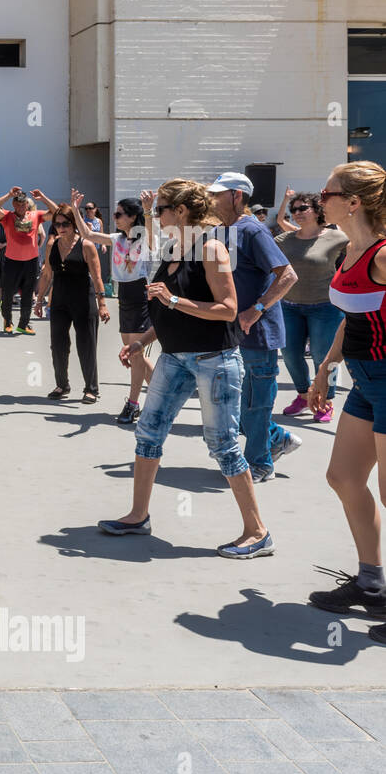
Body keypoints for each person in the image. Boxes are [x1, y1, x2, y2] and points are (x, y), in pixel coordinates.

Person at [99, 179, 273, 559]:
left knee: (223, 444)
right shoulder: (174, 248)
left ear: (181, 211)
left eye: (160, 208)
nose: (155, 215)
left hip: (214, 359)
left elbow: (228, 308)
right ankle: (138, 515)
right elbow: (165, 311)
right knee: (148, 433)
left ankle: (257, 532)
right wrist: (141, 342)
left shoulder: (211, 249)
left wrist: (174, 298)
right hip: (174, 356)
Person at [306, 161, 386, 638]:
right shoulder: (347, 252)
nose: (321, 199)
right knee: (343, 477)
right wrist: (325, 365)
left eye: (326, 191)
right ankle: (372, 583)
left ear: (352, 202)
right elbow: (350, 320)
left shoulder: (381, 255)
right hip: (365, 381)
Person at [208, 171, 302, 484]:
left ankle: (260, 463)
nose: (212, 198)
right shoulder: (220, 231)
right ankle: (276, 439)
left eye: (218, 193)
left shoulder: (253, 230)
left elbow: (287, 275)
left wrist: (255, 310)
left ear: (237, 196)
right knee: (240, 409)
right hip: (232, 333)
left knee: (255, 405)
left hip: (258, 333)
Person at [73, 191, 157, 424]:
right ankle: (164, 394)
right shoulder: (117, 239)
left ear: (132, 217)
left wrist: (148, 209)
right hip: (124, 298)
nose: (116, 217)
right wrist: (75, 210)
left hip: (141, 295)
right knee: (134, 354)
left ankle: (133, 404)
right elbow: (87, 234)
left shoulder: (144, 240)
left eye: (120, 214)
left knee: (136, 354)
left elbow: (149, 230)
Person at [274, 192, 348, 425]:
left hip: (326, 308)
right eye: (293, 210)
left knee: (325, 357)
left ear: (317, 210)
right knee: (290, 354)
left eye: (302, 208)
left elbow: (358, 258)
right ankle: (304, 394)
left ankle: (325, 400)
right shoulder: (284, 240)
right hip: (289, 307)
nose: (296, 213)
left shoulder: (338, 238)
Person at [34, 203, 110, 403]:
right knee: (58, 345)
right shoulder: (52, 245)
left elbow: (97, 276)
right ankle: (62, 384)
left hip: (83, 300)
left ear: (74, 223)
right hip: (59, 301)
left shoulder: (86, 245)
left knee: (86, 345)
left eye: (65, 223)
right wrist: (39, 300)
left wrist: (102, 303)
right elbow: (46, 274)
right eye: (57, 224)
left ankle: (91, 388)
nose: (60, 227)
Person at [0, 187, 54, 336]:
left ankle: (23, 324)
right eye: (17, 204)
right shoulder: (7, 217)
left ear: (27, 204)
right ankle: (7, 321)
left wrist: (43, 197)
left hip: (31, 262)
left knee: (27, 294)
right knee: (7, 294)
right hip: (12, 261)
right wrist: (9, 194)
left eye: (23, 204)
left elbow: (56, 212)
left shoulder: (35, 215)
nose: (20, 207)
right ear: (13, 205)